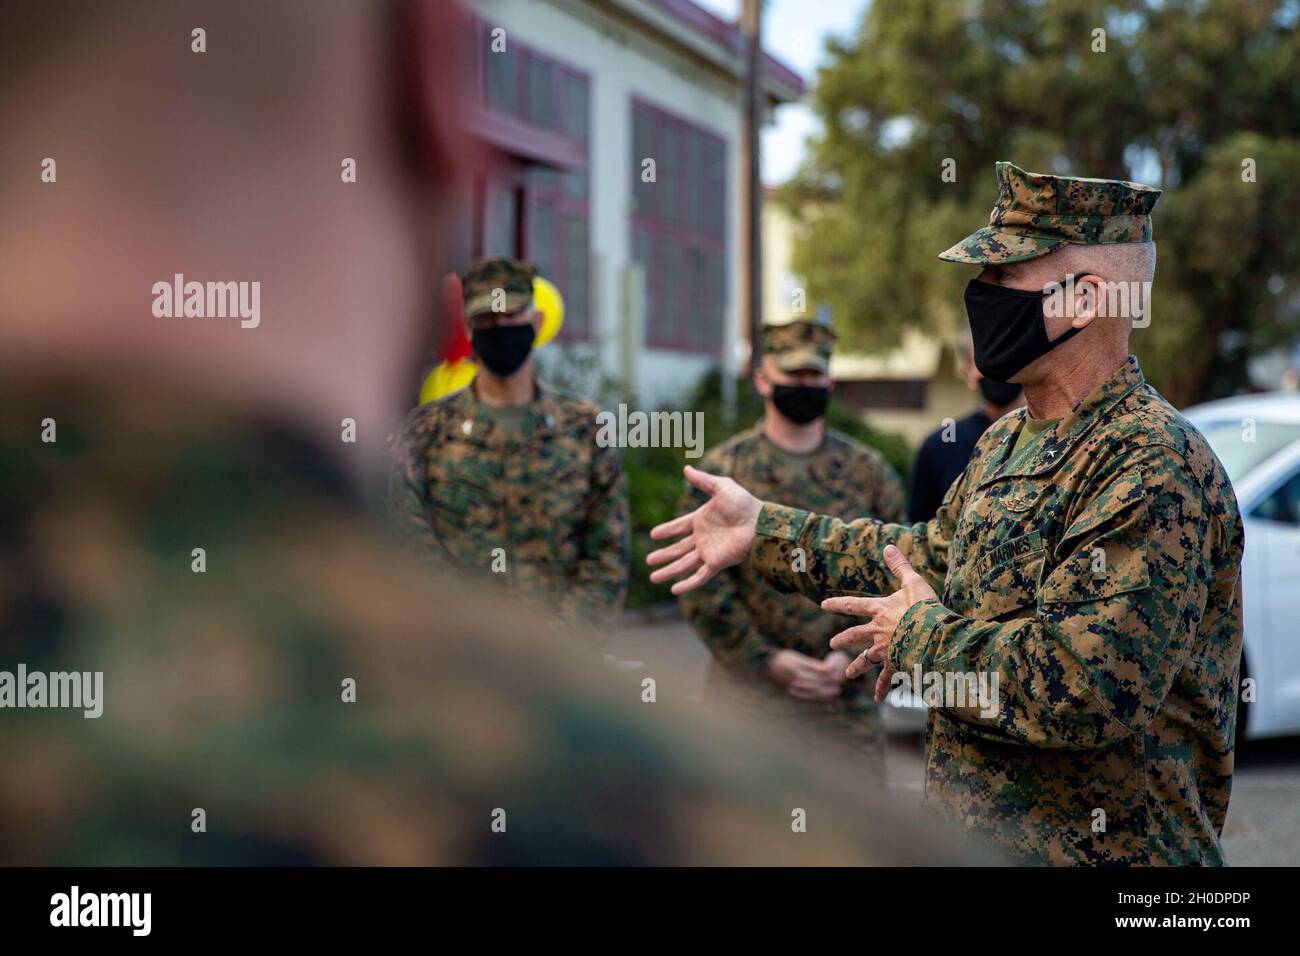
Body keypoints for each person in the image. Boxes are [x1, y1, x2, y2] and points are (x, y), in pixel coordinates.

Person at [0, 0, 985, 866]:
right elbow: (417, 546)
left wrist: (557, 642)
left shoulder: (613, 448)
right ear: (436, 85)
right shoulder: (656, 814)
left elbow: (611, 552)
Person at [648, 162, 1245, 866]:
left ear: (1084, 299)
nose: (979, 299)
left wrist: (920, 639)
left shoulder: (1150, 463)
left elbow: (1088, 687)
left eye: (1003, 280)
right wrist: (768, 531)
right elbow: (926, 557)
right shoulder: (1006, 440)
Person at [677, 316, 903, 782]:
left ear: (830, 381)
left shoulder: (868, 471)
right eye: (793, 375)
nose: (805, 384)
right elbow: (700, 585)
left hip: (845, 703)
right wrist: (766, 660)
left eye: (814, 375)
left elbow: (898, 573)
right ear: (763, 380)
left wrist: (850, 657)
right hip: (747, 704)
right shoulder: (725, 471)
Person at [389, 256, 629, 630]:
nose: (499, 329)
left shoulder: (584, 430)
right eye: (487, 321)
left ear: (535, 323)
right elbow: (409, 546)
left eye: (510, 318)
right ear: (469, 329)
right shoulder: (426, 431)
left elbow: (606, 556)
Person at [908, 333, 1024, 523]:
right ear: (968, 373)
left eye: (1003, 352)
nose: (996, 365)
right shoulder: (941, 445)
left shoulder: (1057, 435)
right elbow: (921, 531)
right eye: (984, 357)